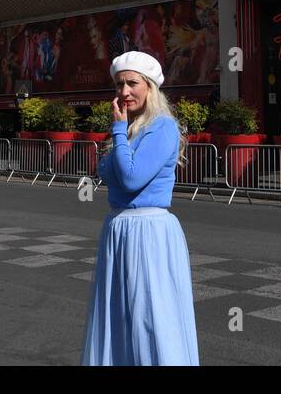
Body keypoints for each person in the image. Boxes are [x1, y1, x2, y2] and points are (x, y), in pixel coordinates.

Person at [81, 51, 199, 366]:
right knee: (119, 315)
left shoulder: (162, 127)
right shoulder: (132, 128)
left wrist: (118, 131)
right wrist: (122, 134)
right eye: (119, 84)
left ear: (149, 86)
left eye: (132, 83)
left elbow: (130, 178)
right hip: (120, 229)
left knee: (151, 317)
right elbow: (107, 169)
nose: (124, 92)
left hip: (148, 231)